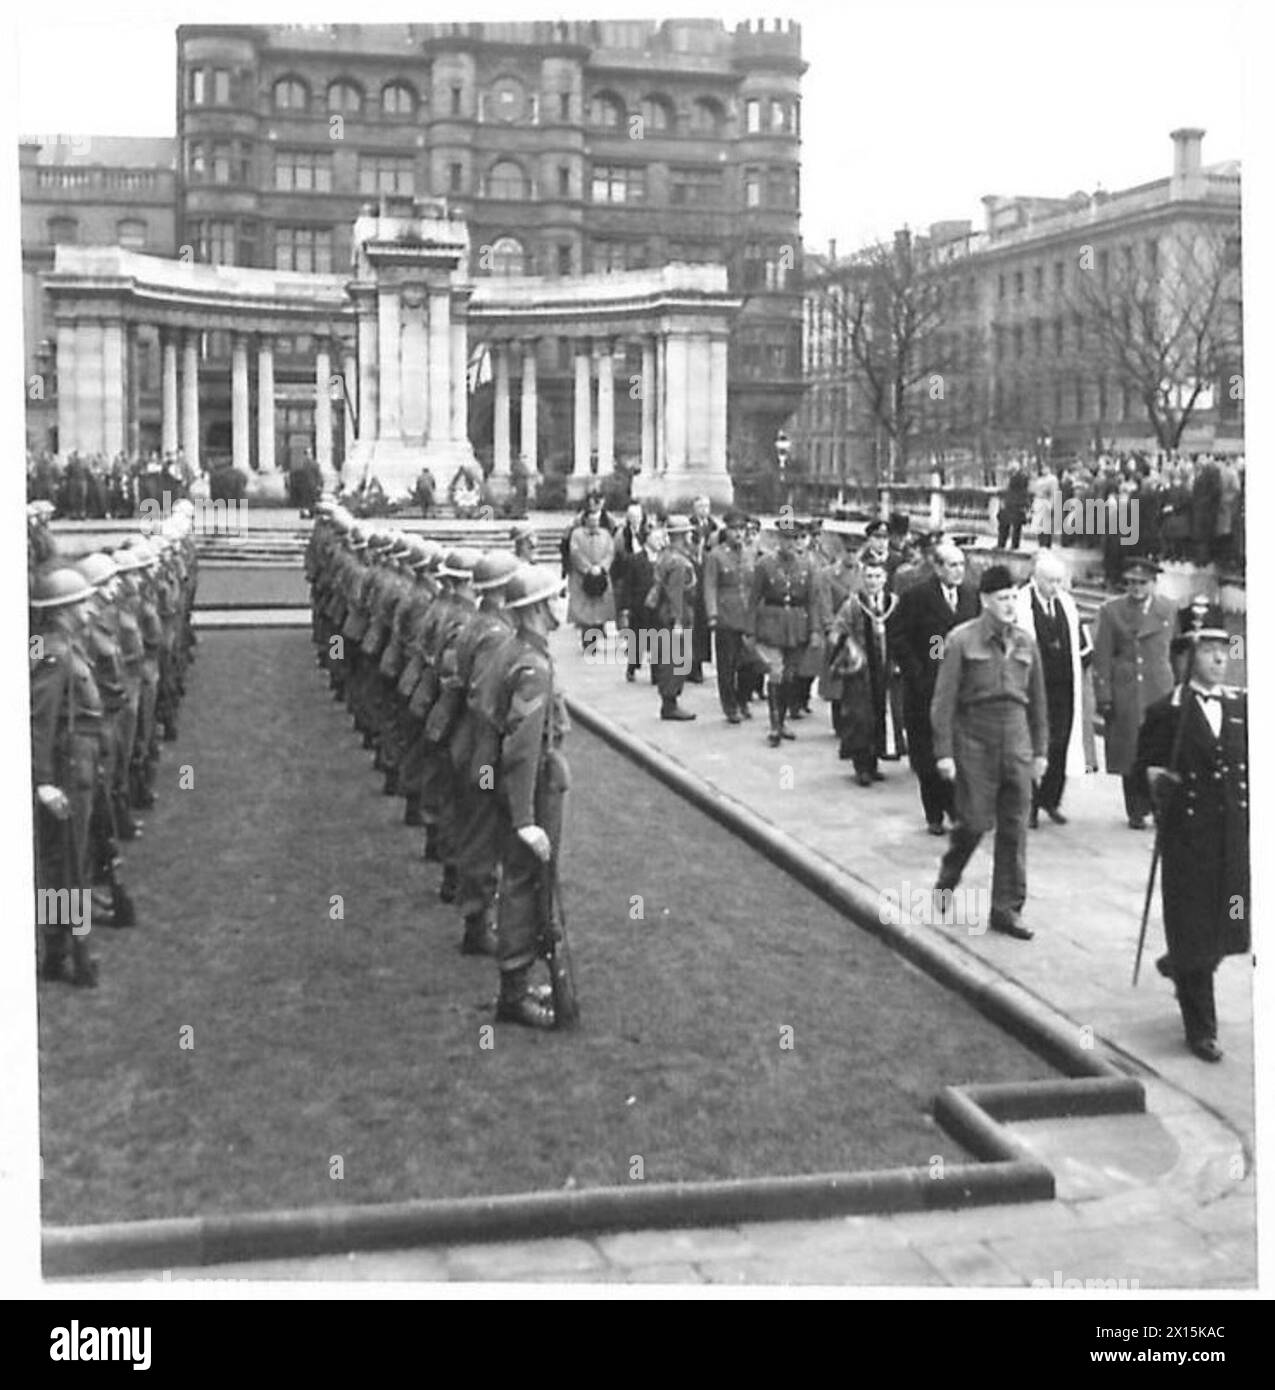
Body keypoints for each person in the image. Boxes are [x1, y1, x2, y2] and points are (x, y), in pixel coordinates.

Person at [1135, 626, 1248, 1062]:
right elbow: (1142, 767)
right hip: (1189, 842)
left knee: (1231, 923)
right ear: (1187, 659)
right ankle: (1201, 1027)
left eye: (1224, 652)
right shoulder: (1168, 712)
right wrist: (1154, 782)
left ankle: (1180, 964)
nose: (1219, 660)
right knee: (1195, 927)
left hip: (1232, 839)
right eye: (1209, 652)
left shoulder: (1240, 708)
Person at [931, 565, 1049, 940]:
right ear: (984, 601)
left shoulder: (1027, 642)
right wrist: (944, 753)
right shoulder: (961, 641)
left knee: (1015, 828)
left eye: (1014, 597)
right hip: (975, 742)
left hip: (1016, 742)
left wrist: (1041, 751)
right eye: (1002, 598)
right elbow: (943, 702)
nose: (1010, 605)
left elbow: (1039, 704)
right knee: (975, 821)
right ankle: (950, 873)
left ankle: (1006, 910)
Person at [478, 564, 572, 1029]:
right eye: (555, 598)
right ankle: (512, 993)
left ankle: (518, 979)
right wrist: (524, 820)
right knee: (523, 880)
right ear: (536, 608)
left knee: (525, 878)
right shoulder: (530, 664)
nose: (561, 605)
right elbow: (520, 749)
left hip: (521, 782)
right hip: (530, 788)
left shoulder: (516, 649)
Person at [888, 542, 979, 834]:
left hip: (962, 687)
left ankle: (955, 807)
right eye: (952, 565)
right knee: (928, 752)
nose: (958, 571)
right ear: (938, 567)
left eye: (961, 565)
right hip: (926, 686)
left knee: (958, 749)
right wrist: (916, 671)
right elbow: (898, 636)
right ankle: (934, 813)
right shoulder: (917, 597)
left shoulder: (971, 596)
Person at [1092, 557, 1176, 829]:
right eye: (1130, 583)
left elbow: (1178, 650)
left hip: (1158, 687)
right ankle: (1136, 809)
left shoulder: (1169, 609)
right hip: (1126, 690)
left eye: (1142, 583)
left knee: (1160, 749)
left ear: (1153, 583)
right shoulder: (1111, 610)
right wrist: (1103, 694)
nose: (1136, 588)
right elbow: (1102, 655)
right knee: (1129, 752)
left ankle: (1159, 805)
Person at [1013, 552, 1087, 827]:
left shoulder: (1067, 604)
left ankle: (1051, 799)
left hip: (1063, 686)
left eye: (1060, 581)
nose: (1055, 586)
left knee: (1061, 743)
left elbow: (1080, 644)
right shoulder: (1021, 603)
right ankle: (1029, 801)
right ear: (1036, 578)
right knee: (1035, 743)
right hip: (1035, 685)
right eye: (1050, 581)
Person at [823, 556, 904, 783]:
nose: (873, 581)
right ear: (863, 577)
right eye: (868, 576)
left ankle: (875, 760)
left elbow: (904, 632)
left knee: (882, 715)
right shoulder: (853, 604)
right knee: (861, 718)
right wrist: (846, 646)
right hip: (861, 671)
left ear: (885, 578)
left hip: (886, 669)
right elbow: (838, 630)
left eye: (877, 576)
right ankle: (862, 766)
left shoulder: (893, 603)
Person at [749, 517, 822, 747]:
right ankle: (773, 725)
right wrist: (749, 630)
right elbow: (753, 600)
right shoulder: (764, 564)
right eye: (785, 539)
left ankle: (782, 721)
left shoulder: (808, 565)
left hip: (797, 625)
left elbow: (813, 601)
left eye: (793, 539)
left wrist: (815, 630)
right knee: (776, 671)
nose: (789, 544)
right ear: (777, 539)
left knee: (790, 676)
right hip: (772, 624)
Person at [703, 509, 757, 723]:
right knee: (727, 666)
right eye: (735, 529)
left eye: (742, 529)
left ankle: (743, 700)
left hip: (747, 616)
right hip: (726, 617)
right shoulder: (716, 555)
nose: (739, 534)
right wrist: (712, 614)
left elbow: (754, 585)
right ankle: (730, 706)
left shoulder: (750, 553)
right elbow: (710, 586)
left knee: (750, 664)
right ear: (726, 530)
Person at [649, 515, 698, 721]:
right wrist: (679, 620)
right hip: (676, 614)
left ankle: (669, 702)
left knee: (671, 658)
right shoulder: (678, 562)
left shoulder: (666, 555)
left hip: (665, 613)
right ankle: (670, 703)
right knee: (676, 660)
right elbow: (675, 593)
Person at [566, 500, 615, 650]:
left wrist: (602, 567)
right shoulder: (576, 534)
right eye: (591, 520)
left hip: (601, 577)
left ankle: (598, 632)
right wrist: (588, 568)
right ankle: (587, 641)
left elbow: (610, 552)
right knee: (585, 611)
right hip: (583, 578)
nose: (595, 523)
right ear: (586, 520)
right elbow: (575, 553)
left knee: (600, 608)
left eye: (597, 520)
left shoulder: (606, 534)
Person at [997, 461, 1030, 549]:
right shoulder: (1010, 477)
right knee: (1003, 524)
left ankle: (1014, 545)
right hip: (1008, 504)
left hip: (1016, 504)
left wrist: (1024, 505)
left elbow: (1022, 491)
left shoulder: (1022, 477)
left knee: (1016, 526)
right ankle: (1001, 543)